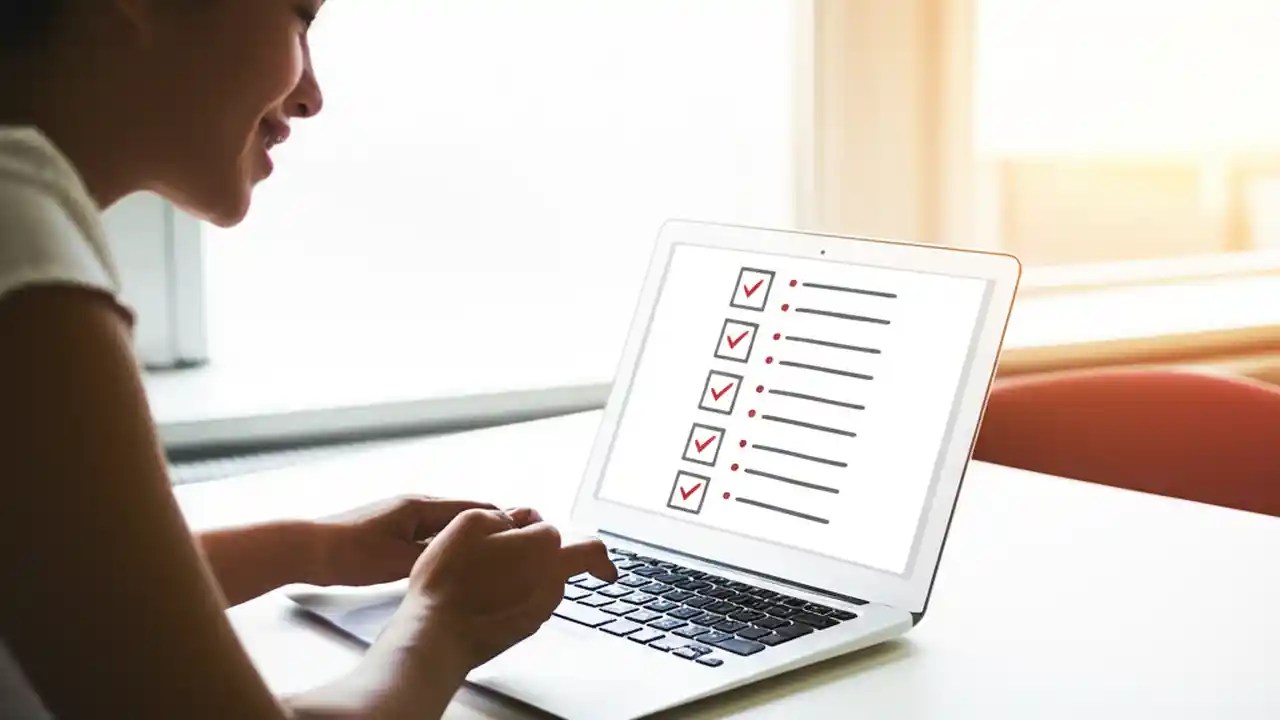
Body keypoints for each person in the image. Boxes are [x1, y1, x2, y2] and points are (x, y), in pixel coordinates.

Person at [0, 1, 617, 717]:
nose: (311, 94)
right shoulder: (18, 234)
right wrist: (445, 626)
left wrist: (313, 550)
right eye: (299, 18)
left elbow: (68, 582)